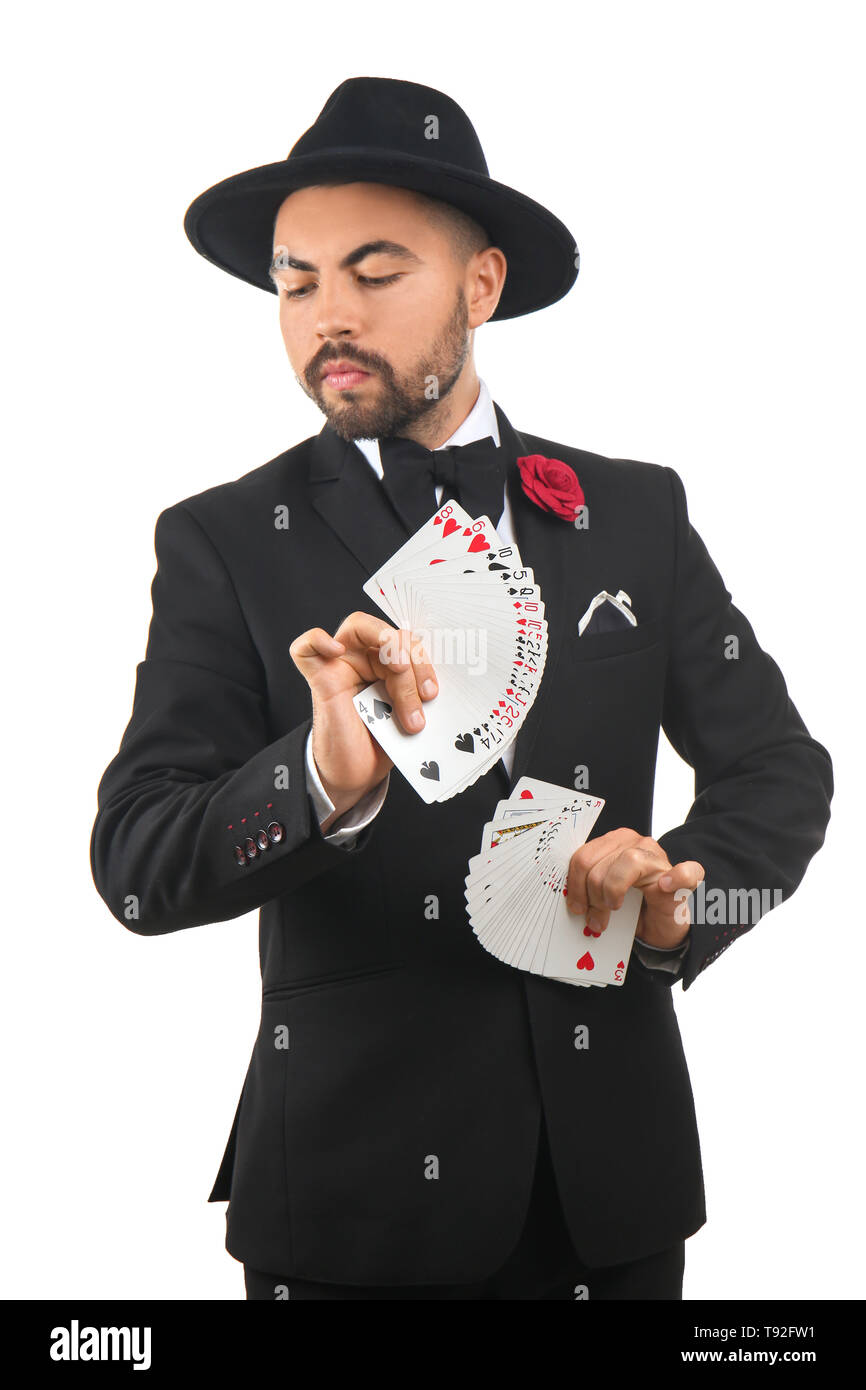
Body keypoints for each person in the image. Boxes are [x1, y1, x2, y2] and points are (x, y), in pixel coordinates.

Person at [90, 76, 833, 1300]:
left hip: (614, 1198)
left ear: (480, 286)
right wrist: (318, 779)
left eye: (374, 272)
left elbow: (778, 769)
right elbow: (134, 860)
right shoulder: (223, 539)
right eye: (295, 280)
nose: (327, 315)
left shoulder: (632, 510)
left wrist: (684, 906)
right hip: (345, 1204)